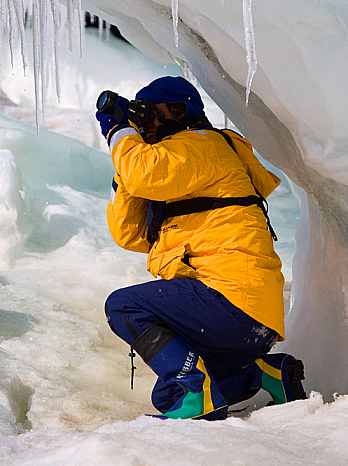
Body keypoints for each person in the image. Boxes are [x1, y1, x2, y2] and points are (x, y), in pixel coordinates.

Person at [96, 76, 306, 420]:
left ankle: (196, 389)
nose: (144, 124)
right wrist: (128, 158)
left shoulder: (203, 145)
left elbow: (143, 174)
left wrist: (121, 133)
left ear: (179, 111)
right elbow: (129, 234)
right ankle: (263, 375)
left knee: (123, 306)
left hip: (231, 300)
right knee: (167, 396)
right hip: (247, 320)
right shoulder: (173, 168)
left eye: (151, 114)